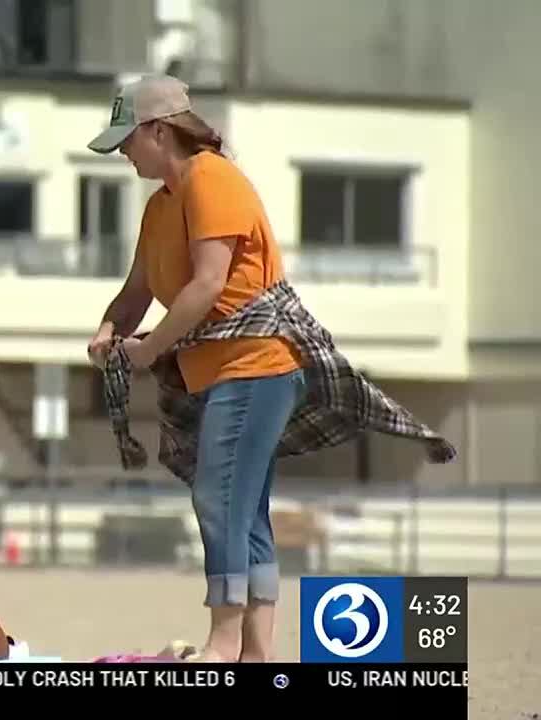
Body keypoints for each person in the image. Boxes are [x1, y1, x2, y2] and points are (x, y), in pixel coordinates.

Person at [86, 76, 456, 663]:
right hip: (218, 373)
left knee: (217, 496)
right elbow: (138, 290)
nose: (123, 154)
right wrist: (109, 329)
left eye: (127, 140)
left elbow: (208, 284)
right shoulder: (160, 206)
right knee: (244, 508)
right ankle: (256, 653)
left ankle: (223, 641)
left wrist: (150, 349)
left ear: (158, 132)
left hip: (258, 364)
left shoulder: (212, 179)